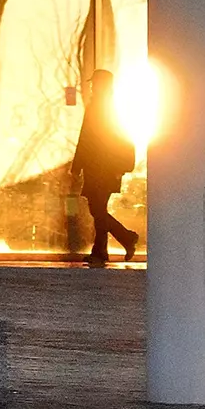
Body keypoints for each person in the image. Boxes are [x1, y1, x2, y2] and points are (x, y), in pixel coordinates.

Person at [70, 69, 138, 267]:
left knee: (98, 210)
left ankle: (122, 240)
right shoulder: (106, 108)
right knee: (98, 209)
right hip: (100, 170)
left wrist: (77, 167)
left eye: (94, 83)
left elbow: (88, 140)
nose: (91, 87)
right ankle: (103, 250)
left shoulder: (103, 109)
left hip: (102, 171)